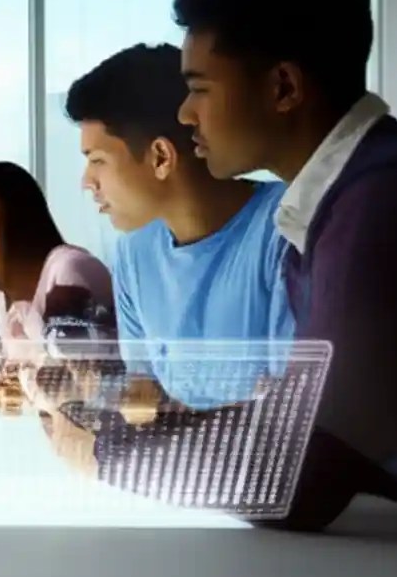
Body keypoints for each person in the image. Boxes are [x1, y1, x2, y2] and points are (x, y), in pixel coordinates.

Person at [51, 0, 397, 530]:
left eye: (200, 89)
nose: (187, 115)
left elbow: (299, 469)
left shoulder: (388, 202)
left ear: (282, 88)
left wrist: (104, 454)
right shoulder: (346, 200)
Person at [67, 43, 294, 409]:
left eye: (97, 160)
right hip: (185, 465)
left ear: (160, 157)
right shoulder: (133, 254)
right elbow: (144, 396)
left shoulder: (287, 229)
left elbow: (294, 408)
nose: (86, 182)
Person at [0, 161, 116, 408]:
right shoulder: (0, 294)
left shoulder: (69, 271)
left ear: (16, 214)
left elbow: (77, 389)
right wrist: (0, 385)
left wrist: (20, 383)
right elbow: (24, 384)